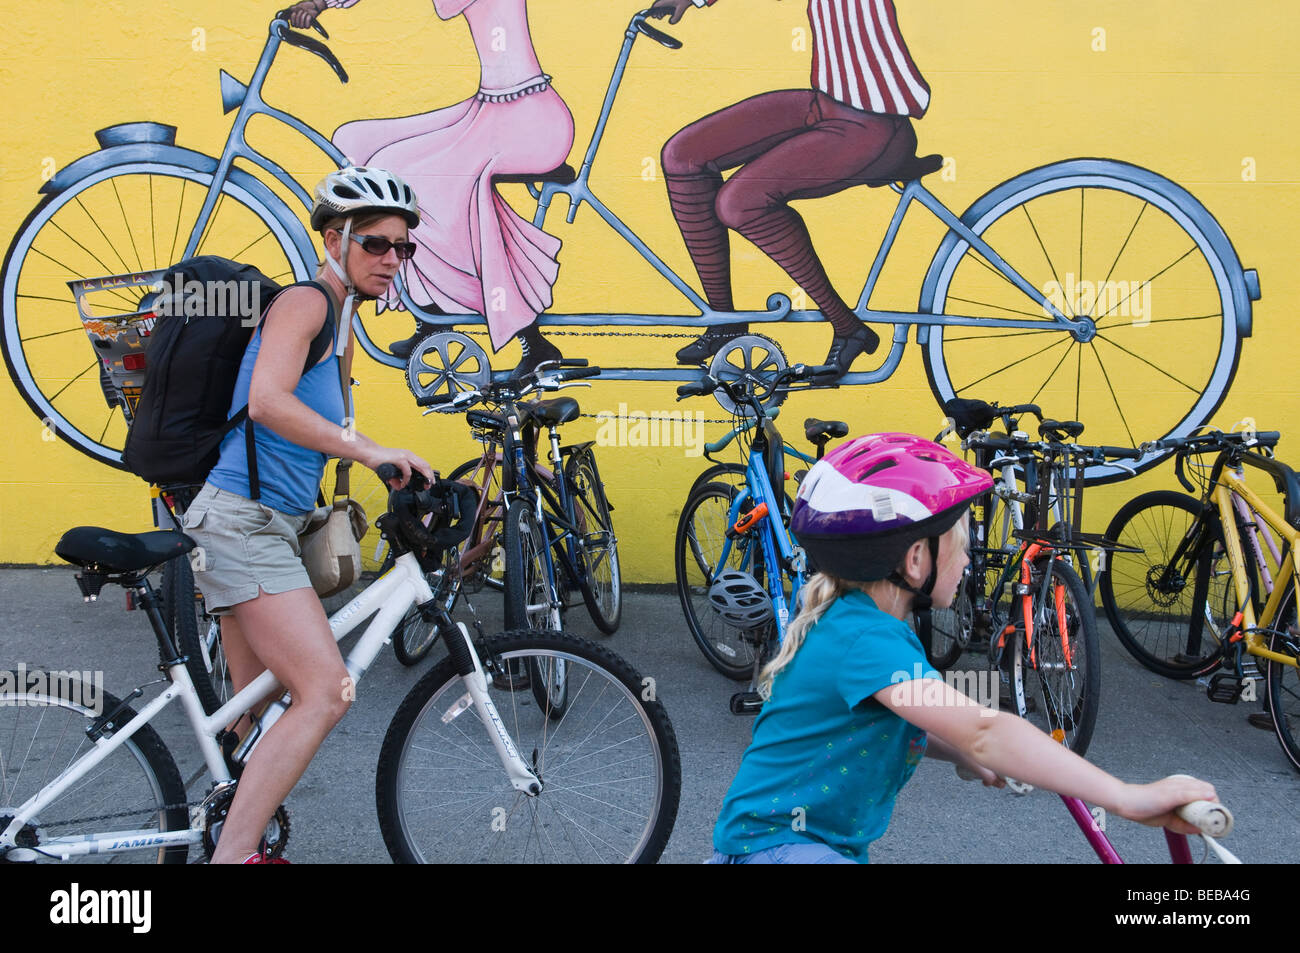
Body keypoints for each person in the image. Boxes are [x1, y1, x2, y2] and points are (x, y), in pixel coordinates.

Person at [709, 432, 1218, 863]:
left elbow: (878, 724)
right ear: (915, 560)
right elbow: (984, 729)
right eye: (963, 549)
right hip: (778, 850)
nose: (969, 564)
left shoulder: (866, 625)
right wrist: (1129, 798)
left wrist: (955, 751)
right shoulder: (866, 641)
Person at [182, 166, 434, 864]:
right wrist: (375, 448)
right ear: (335, 238)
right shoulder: (306, 303)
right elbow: (267, 400)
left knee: (249, 710)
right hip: (240, 521)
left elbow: (319, 424)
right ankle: (233, 858)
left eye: (403, 248)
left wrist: (367, 474)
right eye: (377, 243)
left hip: (274, 522)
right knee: (325, 689)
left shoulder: (343, 320)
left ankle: (223, 827)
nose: (392, 259)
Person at [649, 0, 938, 379]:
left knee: (739, 203)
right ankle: (725, 322)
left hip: (875, 125)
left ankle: (848, 327)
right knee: (682, 156)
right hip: (826, 104)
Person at [289, 0, 576, 376]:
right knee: (356, 142)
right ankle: (431, 310)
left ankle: (527, 337)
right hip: (495, 109)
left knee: (413, 176)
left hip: (530, 119)